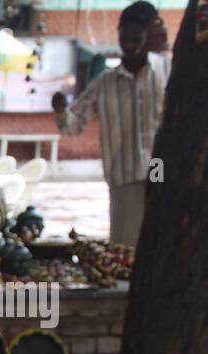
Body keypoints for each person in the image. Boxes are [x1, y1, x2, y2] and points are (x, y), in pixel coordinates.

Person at [53, 2, 168, 246]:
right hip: (123, 177)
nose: (129, 45)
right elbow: (72, 125)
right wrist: (61, 110)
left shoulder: (164, 71)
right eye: (124, 38)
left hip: (158, 169)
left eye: (136, 38)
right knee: (125, 250)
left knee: (158, 244)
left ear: (147, 38)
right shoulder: (104, 83)